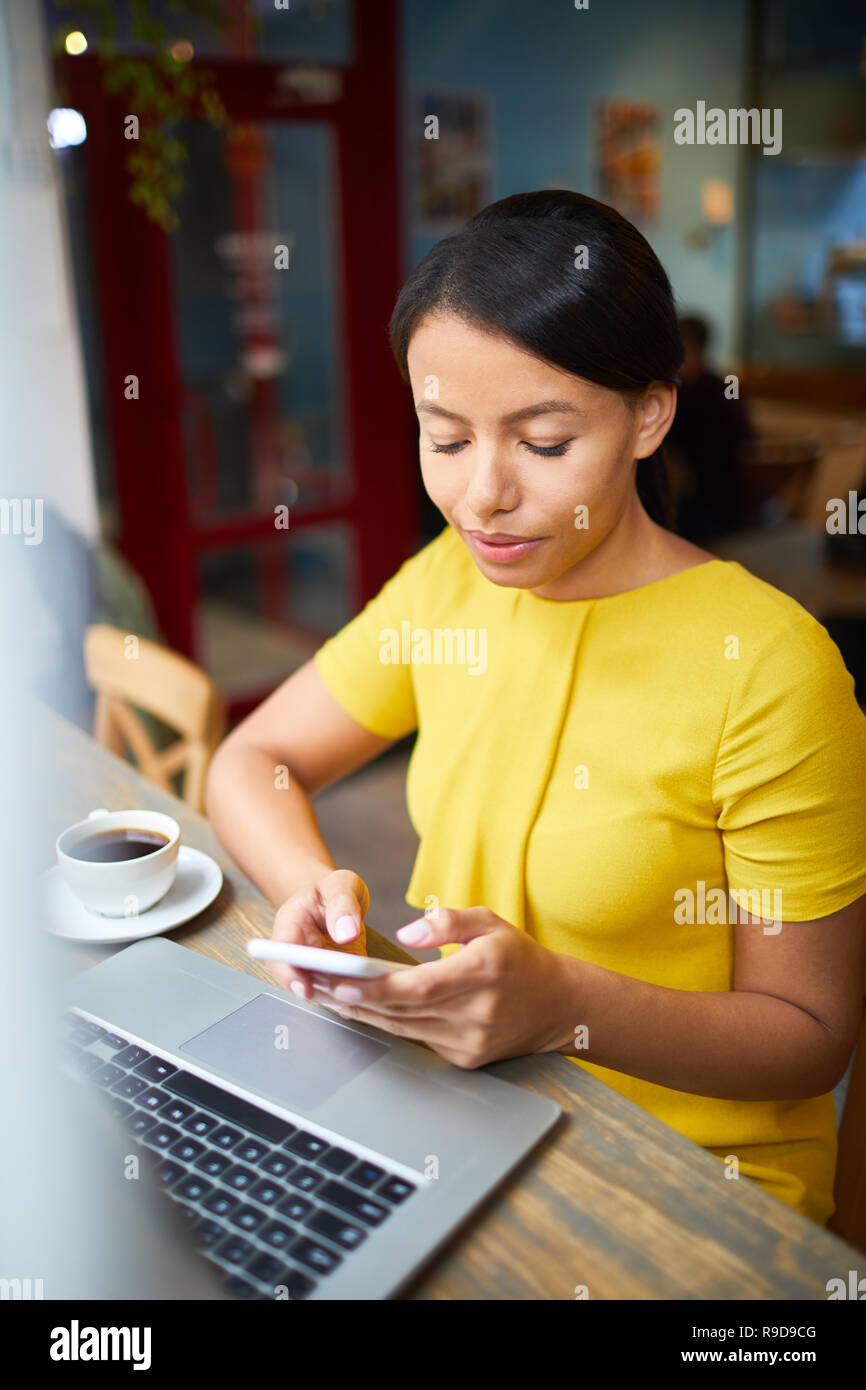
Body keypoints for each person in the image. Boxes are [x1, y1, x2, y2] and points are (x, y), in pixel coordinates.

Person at [205, 190, 866, 1229]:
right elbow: (256, 759)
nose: (480, 497)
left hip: (687, 1182)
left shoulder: (770, 669)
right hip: (453, 1109)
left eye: (544, 442)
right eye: (445, 438)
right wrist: (317, 902)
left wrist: (566, 1010)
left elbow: (809, 1030)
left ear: (648, 415)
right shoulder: (448, 586)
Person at [667, 314, 755, 541]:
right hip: (717, 497)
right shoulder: (704, 387)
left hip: (719, 503)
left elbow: (735, 449)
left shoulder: (714, 392)